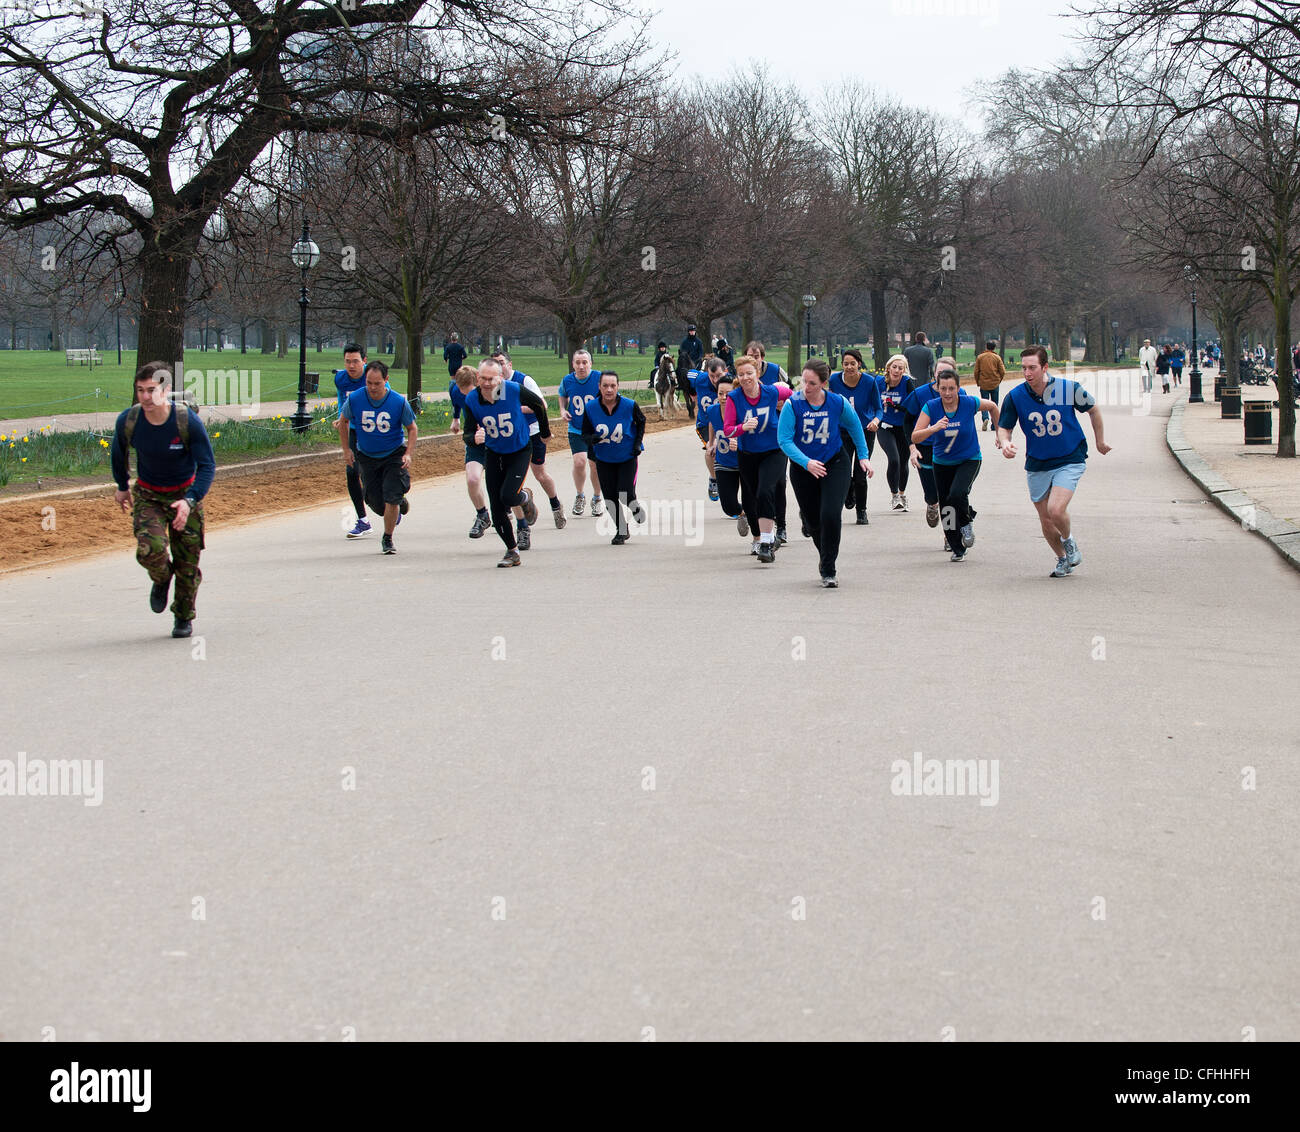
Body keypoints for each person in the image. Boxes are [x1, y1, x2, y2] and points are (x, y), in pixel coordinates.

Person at [111, 362, 216, 638]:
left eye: (151, 390)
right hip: (149, 496)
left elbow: (207, 465)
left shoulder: (185, 421)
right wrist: (122, 486)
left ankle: (183, 616)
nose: (145, 397)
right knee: (150, 550)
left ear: (166, 390)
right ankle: (161, 578)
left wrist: (190, 501)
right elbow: (118, 452)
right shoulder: (129, 420)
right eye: (140, 390)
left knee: (187, 563)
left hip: (185, 495)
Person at [997, 345, 1112, 578]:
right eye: (1024, 368)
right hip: (1038, 463)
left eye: (1032, 368)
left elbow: (1093, 410)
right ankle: (1062, 558)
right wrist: (1005, 442)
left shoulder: (1068, 389)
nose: (1027, 373)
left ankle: (1069, 541)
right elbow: (1004, 427)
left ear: (1045, 367)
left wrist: (1100, 441)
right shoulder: (1016, 396)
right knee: (1046, 520)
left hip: (1069, 456)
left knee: (1056, 510)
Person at [779, 358, 872, 587]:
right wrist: (806, 462)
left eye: (811, 383)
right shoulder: (793, 404)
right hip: (804, 467)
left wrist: (863, 456)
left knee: (830, 515)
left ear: (823, 383)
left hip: (835, 462)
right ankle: (823, 551)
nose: (805, 388)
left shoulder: (837, 402)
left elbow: (855, 426)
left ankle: (828, 568)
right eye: (803, 382)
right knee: (814, 522)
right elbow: (784, 440)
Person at [461, 358, 551, 567]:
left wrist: (544, 432)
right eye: (483, 378)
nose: (487, 383)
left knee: (509, 495)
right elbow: (467, 431)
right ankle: (512, 551)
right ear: (477, 378)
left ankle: (525, 496)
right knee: (497, 507)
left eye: (491, 379)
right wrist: (473, 438)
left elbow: (538, 404)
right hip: (494, 452)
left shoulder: (513, 390)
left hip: (519, 450)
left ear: (500, 378)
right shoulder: (472, 400)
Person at [912, 370, 1000, 561]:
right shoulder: (931, 407)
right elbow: (915, 436)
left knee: (957, 494)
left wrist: (999, 433)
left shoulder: (969, 403)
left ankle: (966, 522)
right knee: (946, 506)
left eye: (952, 388)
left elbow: (992, 406)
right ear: (937, 388)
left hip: (969, 459)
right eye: (943, 388)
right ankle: (957, 547)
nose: (948, 393)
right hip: (942, 462)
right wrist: (934, 428)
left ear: (958, 389)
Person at [339, 359, 416, 555]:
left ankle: (388, 538)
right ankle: (398, 503)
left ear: (386, 380)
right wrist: (347, 450)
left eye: (377, 383)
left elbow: (412, 428)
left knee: (391, 495)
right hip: (366, 456)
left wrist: (408, 454)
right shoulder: (355, 398)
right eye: (369, 383)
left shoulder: (398, 401)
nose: (372, 388)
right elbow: (343, 421)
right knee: (374, 501)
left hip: (393, 454)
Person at [724, 355, 792, 562]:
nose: (745, 378)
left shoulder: (771, 392)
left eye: (749, 373)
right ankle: (768, 539)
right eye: (741, 374)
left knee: (765, 491)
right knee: (752, 497)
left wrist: (786, 406)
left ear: (758, 374)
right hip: (748, 454)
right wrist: (741, 428)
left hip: (774, 451)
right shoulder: (734, 398)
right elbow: (728, 429)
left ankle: (766, 542)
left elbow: (794, 395)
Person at [493, 348, 566, 535]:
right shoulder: (494, 386)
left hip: (532, 432)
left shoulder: (523, 380)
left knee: (540, 474)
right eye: (495, 363)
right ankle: (511, 513)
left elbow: (542, 405)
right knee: (511, 477)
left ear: (509, 364)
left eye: (501, 362)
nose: (499, 366)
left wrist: (516, 408)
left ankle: (556, 505)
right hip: (511, 437)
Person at [581, 371, 647, 544]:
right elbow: (585, 433)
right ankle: (621, 530)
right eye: (605, 386)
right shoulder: (590, 408)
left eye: (612, 386)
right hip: (604, 457)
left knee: (625, 492)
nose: (609, 390)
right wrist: (591, 439)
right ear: (599, 387)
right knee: (610, 496)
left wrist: (637, 444)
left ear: (618, 387)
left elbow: (641, 422)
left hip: (627, 456)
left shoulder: (629, 405)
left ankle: (634, 507)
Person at [829, 348, 881, 525]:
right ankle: (848, 486)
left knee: (861, 474)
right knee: (843, 471)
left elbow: (879, 408)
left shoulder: (868, 381)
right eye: (846, 364)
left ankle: (862, 511)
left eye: (853, 363)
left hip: (864, 431)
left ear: (859, 363)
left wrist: (875, 420)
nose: (849, 367)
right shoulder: (834, 381)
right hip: (842, 432)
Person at [902, 357, 951, 540]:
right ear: (934, 374)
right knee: (933, 494)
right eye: (940, 374)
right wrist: (912, 448)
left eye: (948, 374)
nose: (943, 378)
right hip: (926, 448)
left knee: (950, 497)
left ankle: (950, 535)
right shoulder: (919, 394)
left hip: (950, 450)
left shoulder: (960, 395)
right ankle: (932, 504)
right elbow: (907, 422)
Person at [558, 349, 605, 517]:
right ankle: (580, 495)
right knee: (579, 462)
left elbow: (611, 395)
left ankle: (597, 498)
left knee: (594, 465)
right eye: (577, 363)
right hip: (576, 428)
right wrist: (563, 410)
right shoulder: (567, 380)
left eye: (585, 362)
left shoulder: (599, 379)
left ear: (590, 364)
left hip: (595, 430)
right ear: (573, 364)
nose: (581, 366)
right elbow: (562, 395)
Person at [704, 376, 751, 540]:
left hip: (744, 460)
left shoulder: (743, 410)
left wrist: (739, 439)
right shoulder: (712, 410)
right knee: (728, 506)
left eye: (728, 393)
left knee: (752, 498)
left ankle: (760, 528)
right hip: (723, 461)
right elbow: (712, 423)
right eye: (720, 393)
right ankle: (742, 513)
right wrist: (710, 443)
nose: (724, 397)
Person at [449, 365, 492, 538]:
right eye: (463, 391)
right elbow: (456, 403)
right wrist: (456, 419)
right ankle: (482, 514)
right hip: (474, 439)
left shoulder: (492, 393)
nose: (468, 396)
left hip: (496, 441)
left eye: (471, 391)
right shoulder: (455, 390)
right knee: (473, 479)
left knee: (505, 490)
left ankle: (522, 507)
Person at [334, 343, 370, 538]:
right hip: (355, 430)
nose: (351, 366)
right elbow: (343, 401)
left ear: (364, 361)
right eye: (348, 362)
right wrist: (342, 417)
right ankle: (363, 520)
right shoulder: (340, 378)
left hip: (373, 431)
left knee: (371, 474)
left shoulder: (373, 377)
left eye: (355, 361)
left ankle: (394, 500)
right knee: (351, 471)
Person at [874, 354, 913, 512]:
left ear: (904, 370)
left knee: (903, 462)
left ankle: (902, 494)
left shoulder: (907, 383)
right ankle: (894, 495)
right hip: (885, 427)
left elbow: (912, 407)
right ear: (888, 368)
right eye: (894, 367)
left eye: (900, 368)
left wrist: (895, 406)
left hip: (903, 428)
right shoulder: (879, 382)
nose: (897, 370)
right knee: (894, 459)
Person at [693, 357, 728, 503]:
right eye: (711, 376)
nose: (714, 380)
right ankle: (713, 478)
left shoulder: (731, 383)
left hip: (726, 423)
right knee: (712, 449)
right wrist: (691, 393)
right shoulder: (698, 379)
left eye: (718, 376)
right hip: (704, 423)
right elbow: (685, 375)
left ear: (725, 372)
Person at [973, 340, 1006, 431]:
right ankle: (994, 423)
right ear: (994, 348)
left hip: (984, 383)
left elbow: (976, 371)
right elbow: (1002, 371)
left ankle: (985, 418)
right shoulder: (997, 357)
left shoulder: (980, 357)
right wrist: (999, 380)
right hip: (995, 383)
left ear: (986, 347)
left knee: (984, 402)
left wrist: (978, 381)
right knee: (994, 404)